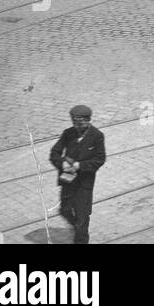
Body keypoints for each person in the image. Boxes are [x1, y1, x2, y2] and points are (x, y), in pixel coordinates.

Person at [48, 104, 106, 244]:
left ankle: (81, 236)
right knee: (65, 211)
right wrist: (62, 163)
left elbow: (99, 159)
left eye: (80, 123)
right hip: (68, 181)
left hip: (84, 184)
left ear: (88, 120)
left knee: (82, 218)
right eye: (74, 122)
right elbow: (54, 153)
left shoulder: (97, 136)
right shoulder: (68, 133)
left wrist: (80, 166)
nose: (77, 126)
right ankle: (79, 229)